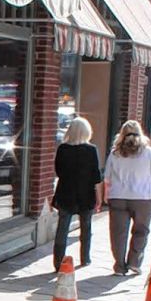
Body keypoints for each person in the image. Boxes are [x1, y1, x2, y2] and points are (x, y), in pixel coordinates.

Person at [104, 120, 151, 276]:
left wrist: (105, 195)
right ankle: (134, 262)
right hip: (143, 198)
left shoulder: (115, 154)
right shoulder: (148, 152)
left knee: (118, 233)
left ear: (121, 134)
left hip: (118, 197)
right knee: (141, 231)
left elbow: (107, 178)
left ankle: (119, 266)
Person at [51, 116, 102, 271]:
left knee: (62, 229)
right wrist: (99, 198)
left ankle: (58, 261)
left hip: (65, 192)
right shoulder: (91, 150)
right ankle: (85, 258)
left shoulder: (62, 149)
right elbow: (96, 176)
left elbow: (58, 171)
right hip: (86, 193)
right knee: (86, 227)